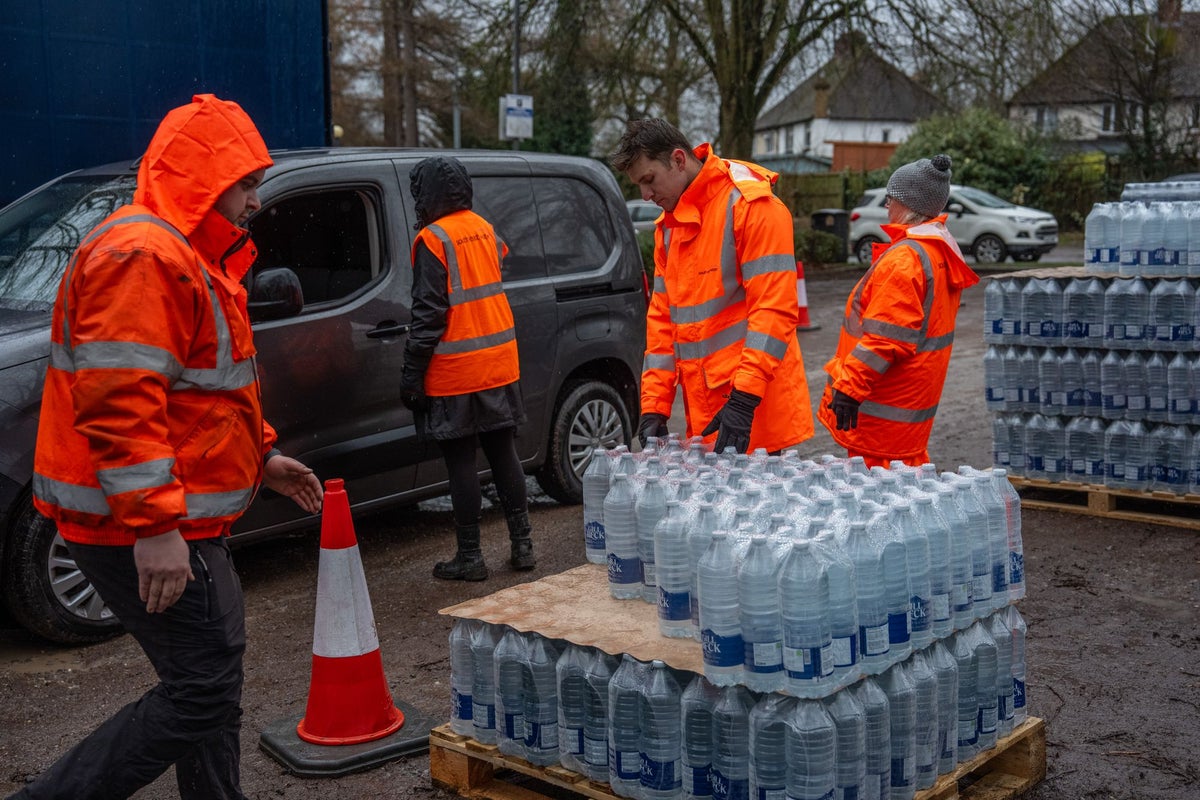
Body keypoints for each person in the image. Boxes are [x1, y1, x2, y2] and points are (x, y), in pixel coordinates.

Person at [16, 95, 323, 800]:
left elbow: (205, 394)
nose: (255, 200)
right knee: (203, 690)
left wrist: (262, 456)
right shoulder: (145, 254)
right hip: (140, 522)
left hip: (172, 516)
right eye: (245, 183)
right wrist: (154, 526)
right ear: (205, 179)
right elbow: (121, 400)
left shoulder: (181, 254)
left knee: (211, 674)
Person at [610, 118, 813, 455]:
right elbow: (662, 322)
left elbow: (774, 311)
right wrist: (654, 407)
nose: (645, 195)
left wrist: (744, 399)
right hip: (710, 413)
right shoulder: (670, 227)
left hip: (755, 410)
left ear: (678, 160)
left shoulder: (751, 207)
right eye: (639, 186)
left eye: (649, 180)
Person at [401, 156, 534, 581]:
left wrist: (412, 372)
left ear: (430, 193)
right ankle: (523, 546)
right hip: (499, 362)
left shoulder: (433, 239)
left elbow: (428, 314)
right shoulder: (484, 228)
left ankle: (471, 558)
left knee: (460, 460)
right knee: (502, 452)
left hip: (457, 368)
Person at [818, 154, 980, 468]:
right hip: (907, 410)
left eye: (890, 199)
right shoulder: (938, 251)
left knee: (882, 500)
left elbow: (886, 339)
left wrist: (849, 388)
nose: (886, 207)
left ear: (907, 205)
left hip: (883, 413)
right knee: (907, 488)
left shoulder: (905, 259)